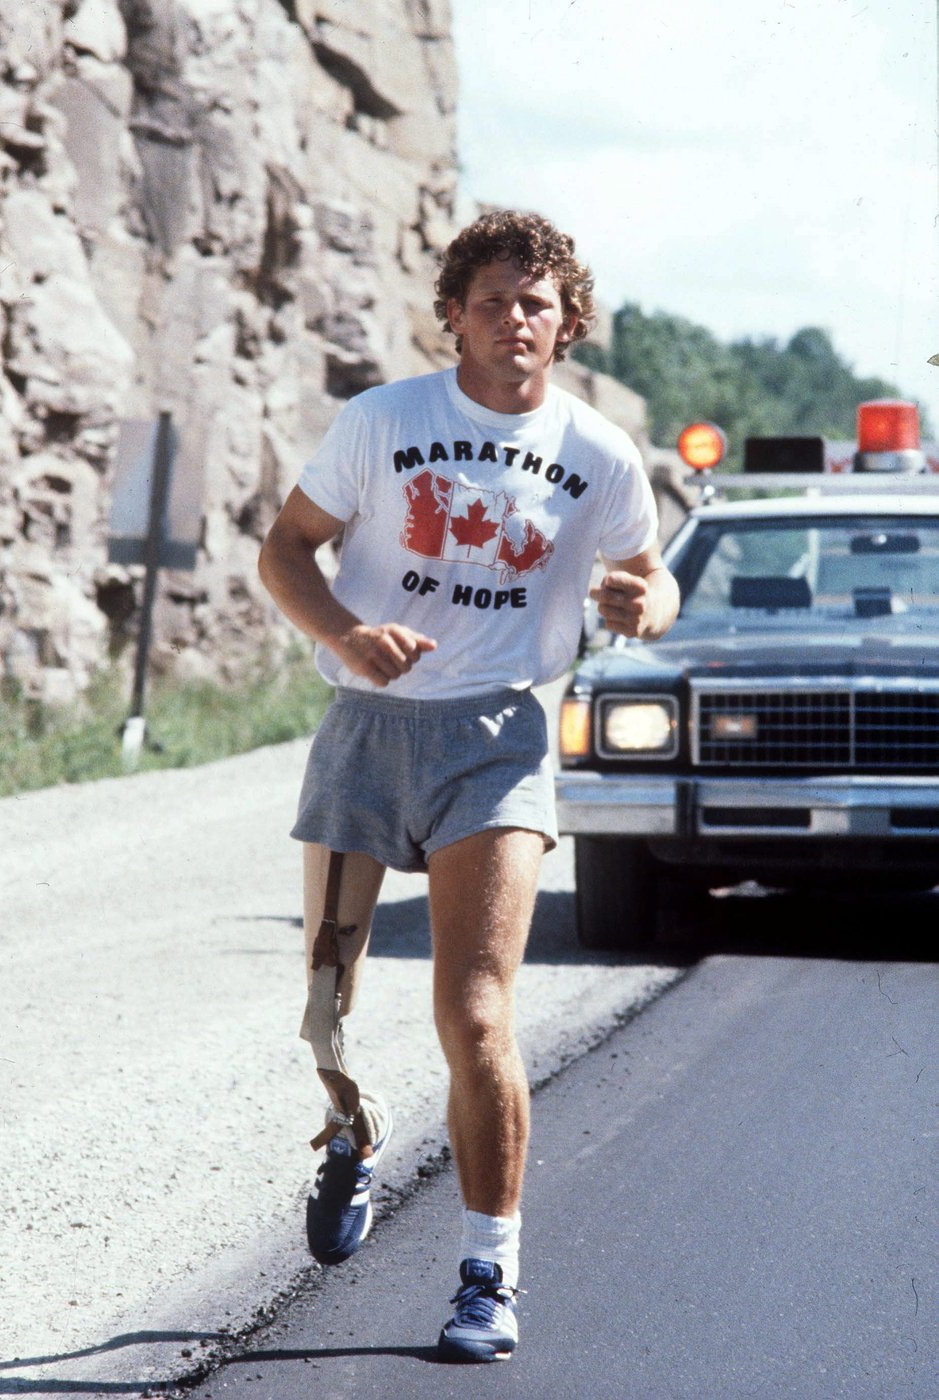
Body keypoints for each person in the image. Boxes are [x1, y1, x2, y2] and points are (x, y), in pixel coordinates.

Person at [257, 209, 680, 1363]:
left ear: (568, 322)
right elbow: (284, 549)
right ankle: (351, 1131)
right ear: (453, 313)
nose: (511, 320)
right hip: (366, 726)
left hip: (497, 737)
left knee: (476, 1011)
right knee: (326, 1006)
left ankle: (489, 1274)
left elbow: (650, 580)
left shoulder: (599, 451)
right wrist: (347, 634)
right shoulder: (383, 420)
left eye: (534, 302)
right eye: (489, 300)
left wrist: (645, 604)